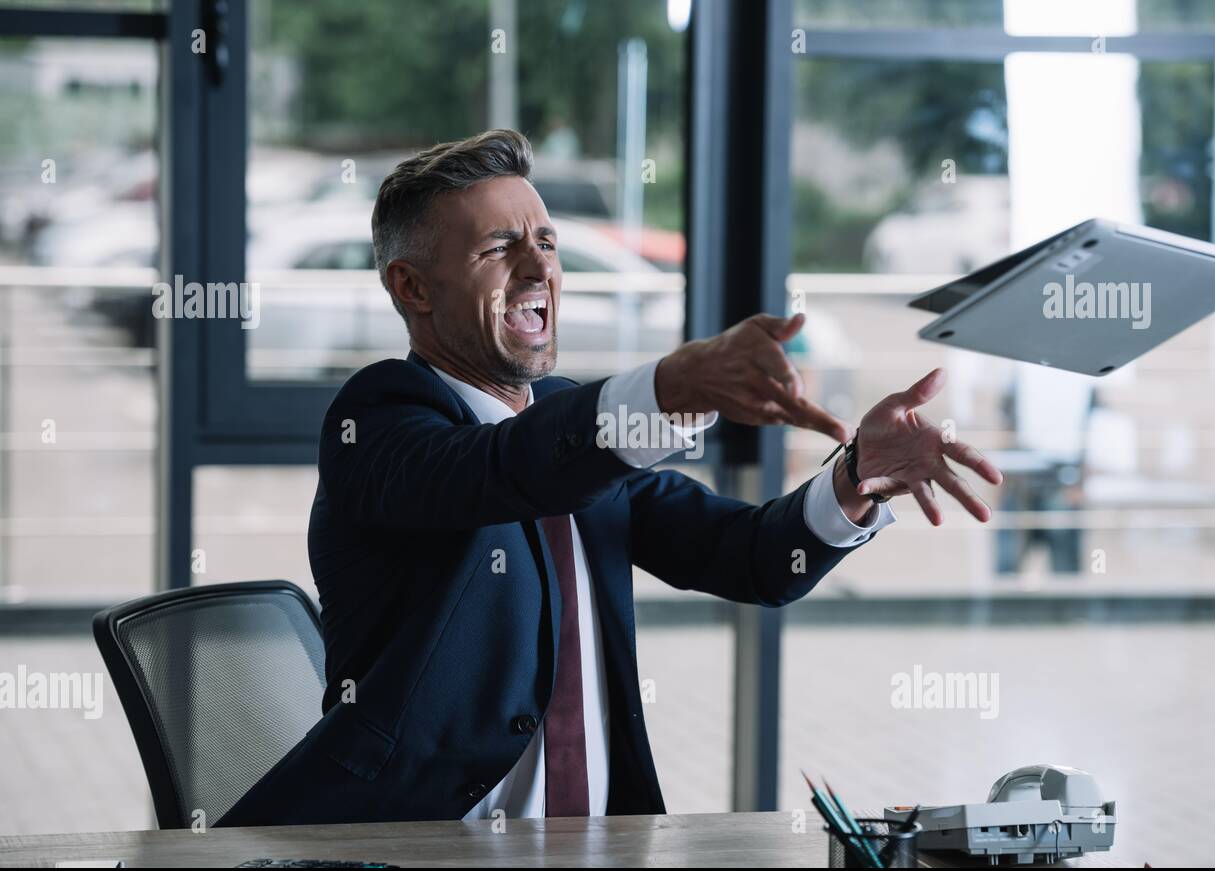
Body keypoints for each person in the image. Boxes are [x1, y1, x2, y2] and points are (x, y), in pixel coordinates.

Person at [217, 129, 1002, 826]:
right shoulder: (380, 418)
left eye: (548, 243)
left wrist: (856, 477)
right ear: (411, 288)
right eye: (498, 249)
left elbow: (751, 558)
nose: (539, 269)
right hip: (418, 843)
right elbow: (503, 470)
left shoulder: (570, 427)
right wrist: (664, 389)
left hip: (600, 840)